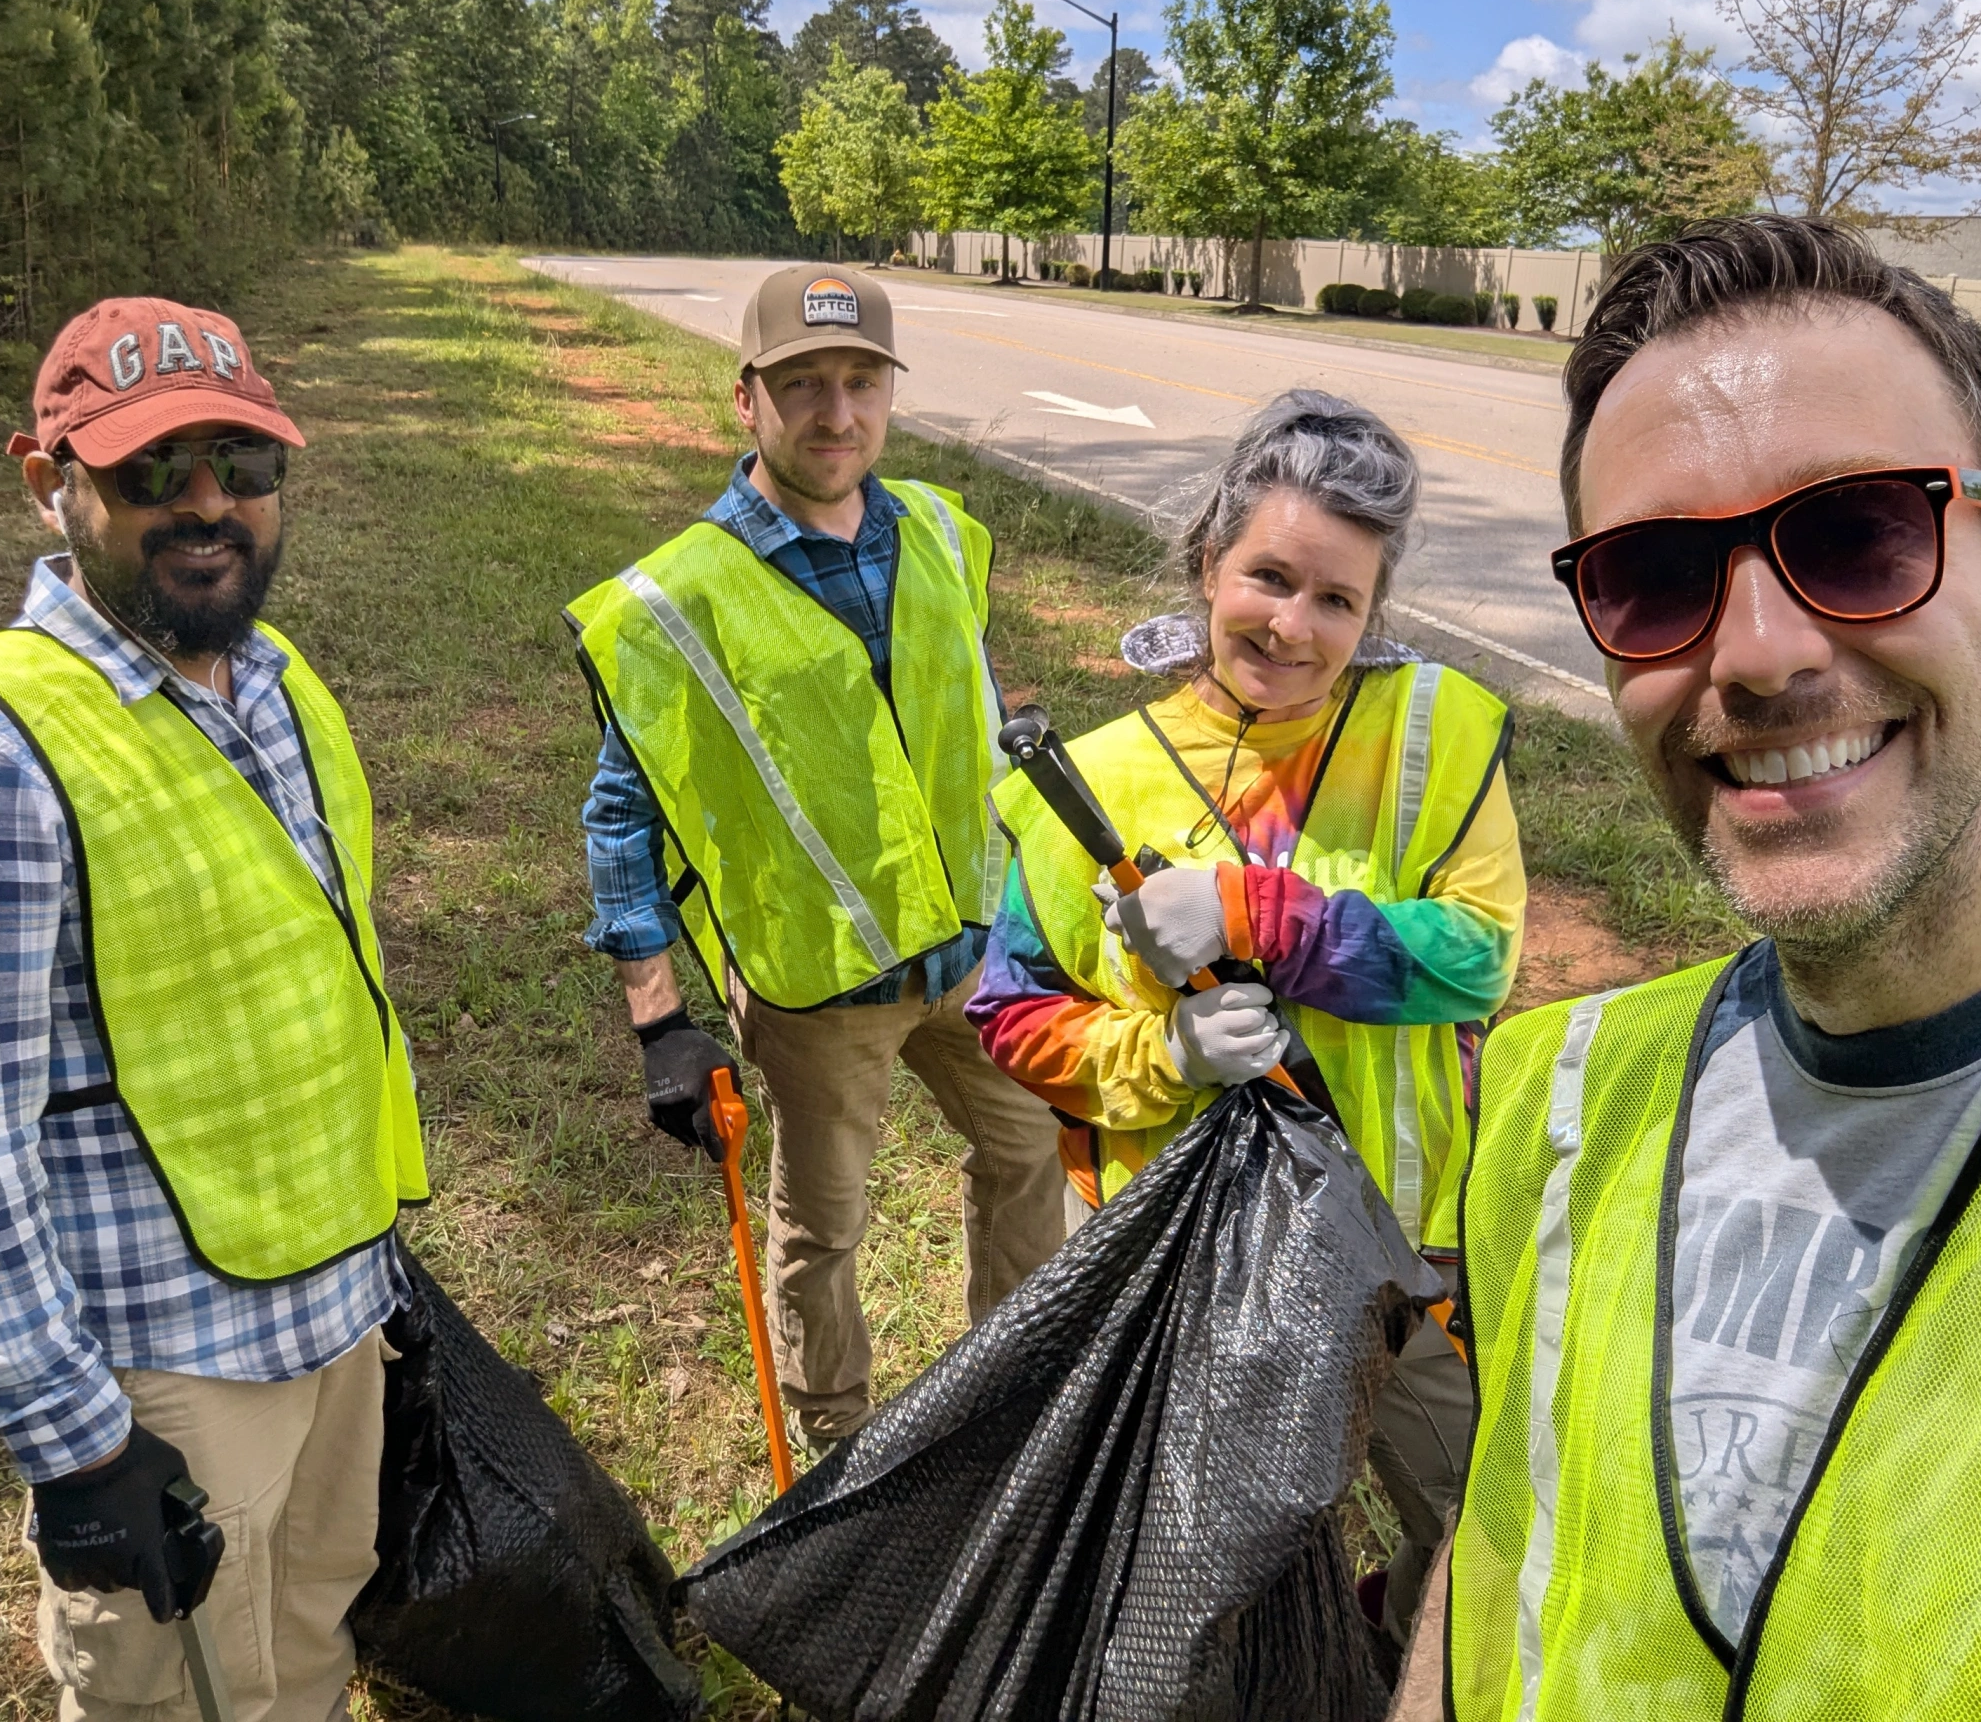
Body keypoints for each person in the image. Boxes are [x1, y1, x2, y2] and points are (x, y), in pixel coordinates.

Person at [1394, 215, 1981, 1721]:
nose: (1758, 652)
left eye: (1857, 535)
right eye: (1654, 577)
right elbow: (1504, 1537)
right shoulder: (1553, 1098)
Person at [0, 298, 425, 1722]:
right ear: (49, 477)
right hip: (165, 1374)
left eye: (241, 464)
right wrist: (78, 1445)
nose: (207, 506)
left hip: (339, 1321)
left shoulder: (274, 686)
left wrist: (382, 1288)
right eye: (155, 469)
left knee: (312, 1659)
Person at [971, 390, 1529, 1666]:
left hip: (1403, 1244)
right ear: (1205, 566)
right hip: (1192, 1260)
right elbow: (1012, 1015)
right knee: (1208, 1560)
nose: (1293, 624)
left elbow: (1477, 958)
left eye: (1336, 600)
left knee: (1483, 1513)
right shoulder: (1098, 778)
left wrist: (1253, 908)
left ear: (1372, 615)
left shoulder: (1432, 734)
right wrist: (1158, 1057)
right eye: (1267, 577)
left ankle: (1396, 1642)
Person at [565, 263, 1063, 1456]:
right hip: (819, 988)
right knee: (823, 1231)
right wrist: (657, 1021)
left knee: (1030, 1150)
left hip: (969, 949)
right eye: (802, 385)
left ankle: (1008, 1399)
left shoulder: (943, 530)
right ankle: (840, 1446)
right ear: (748, 398)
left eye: (858, 382)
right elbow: (621, 813)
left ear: (887, 395)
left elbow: (969, 725)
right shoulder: (676, 598)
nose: (834, 413)